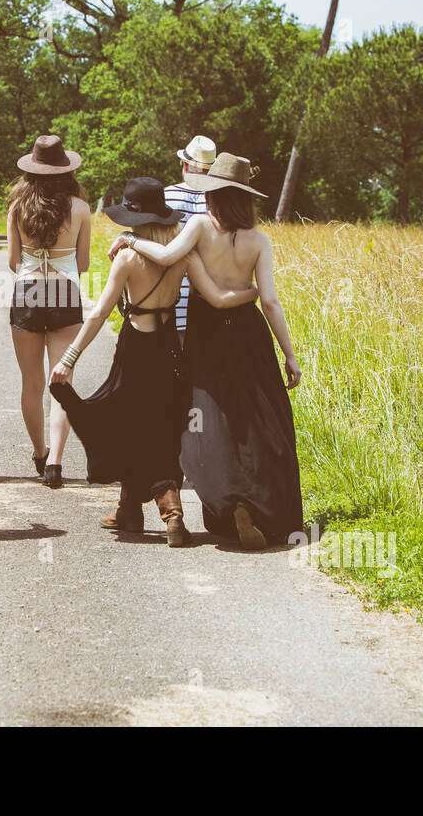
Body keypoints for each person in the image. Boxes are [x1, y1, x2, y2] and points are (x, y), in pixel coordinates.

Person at [48, 177, 259, 546]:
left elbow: (99, 313)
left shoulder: (129, 257)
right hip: (168, 349)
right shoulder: (185, 257)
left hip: (135, 348)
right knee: (159, 425)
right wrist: (252, 291)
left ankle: (170, 511)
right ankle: (132, 509)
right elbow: (216, 297)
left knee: (128, 422)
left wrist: (70, 356)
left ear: (136, 219)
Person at [109, 152, 303, 550]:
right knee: (257, 419)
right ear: (246, 199)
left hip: (205, 330)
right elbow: (271, 303)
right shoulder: (259, 240)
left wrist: (129, 239)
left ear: (212, 194)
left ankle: (229, 498)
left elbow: (164, 256)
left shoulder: (198, 226)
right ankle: (256, 503)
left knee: (210, 416)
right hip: (249, 332)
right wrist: (289, 354)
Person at [7, 134, 91, 489]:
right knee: (62, 381)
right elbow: (83, 264)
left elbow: (13, 262)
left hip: (27, 291)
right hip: (64, 292)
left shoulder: (16, 206)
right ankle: (56, 461)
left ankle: (39, 452)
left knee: (32, 383)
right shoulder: (81, 208)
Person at [164, 135, 216, 340]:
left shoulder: (165, 196)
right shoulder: (219, 202)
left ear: (184, 165)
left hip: (171, 298)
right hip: (211, 300)